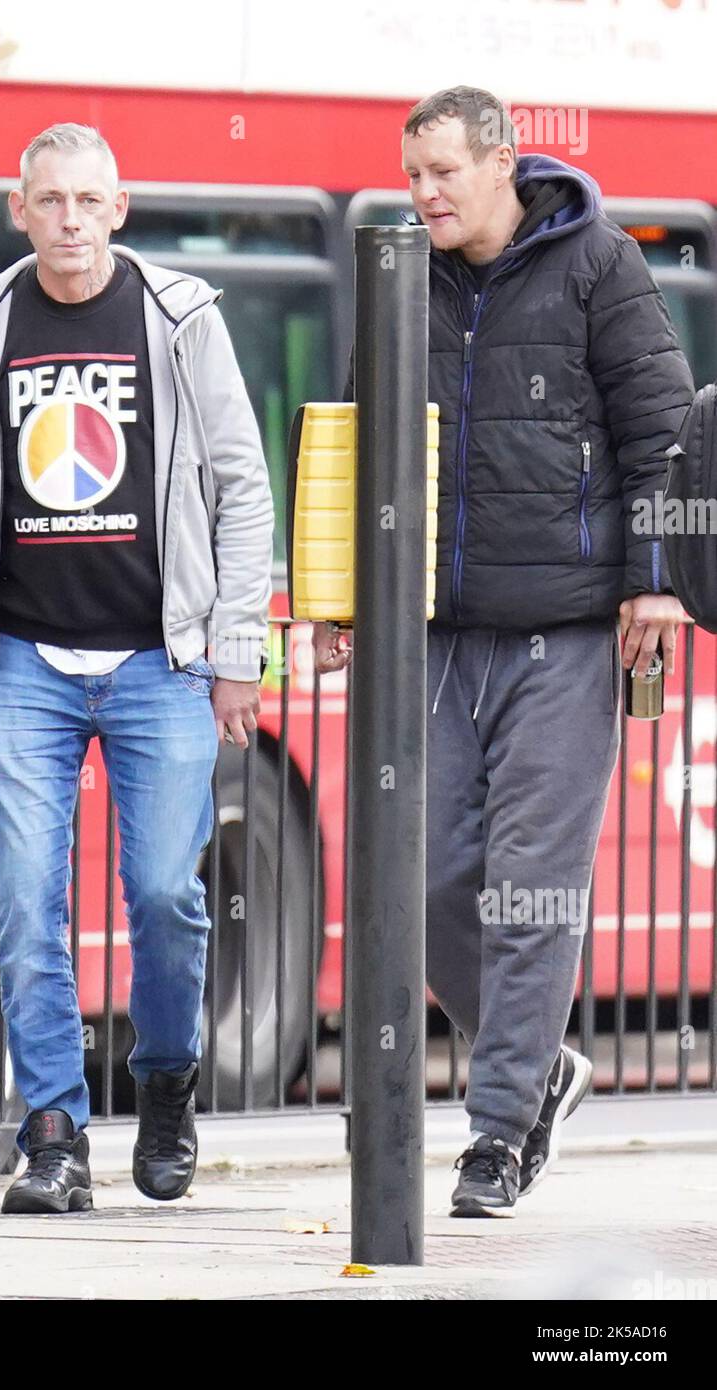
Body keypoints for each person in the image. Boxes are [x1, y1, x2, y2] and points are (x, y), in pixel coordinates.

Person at [315, 86, 695, 1216]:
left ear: (501, 166)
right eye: (410, 174)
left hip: (566, 633)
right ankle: (547, 1067)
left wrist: (660, 584)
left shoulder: (600, 265)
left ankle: (498, 1130)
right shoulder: (400, 277)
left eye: (440, 172)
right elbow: (357, 436)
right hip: (430, 633)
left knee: (533, 883)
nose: (421, 193)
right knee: (421, 879)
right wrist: (340, 594)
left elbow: (664, 431)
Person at [0, 123, 273, 1214]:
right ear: (20, 209)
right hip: (24, 664)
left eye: (87, 202)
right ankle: (54, 1131)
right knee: (27, 901)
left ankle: (163, 1085)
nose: (68, 220)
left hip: (163, 662)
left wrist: (237, 649)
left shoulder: (180, 317)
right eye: (48, 201)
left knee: (162, 892)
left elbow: (243, 485)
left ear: (119, 207)